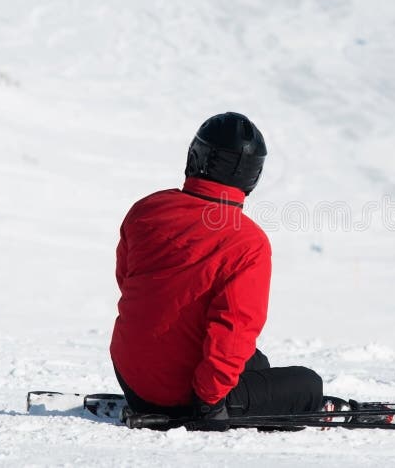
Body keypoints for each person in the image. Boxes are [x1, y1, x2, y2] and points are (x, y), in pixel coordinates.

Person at [110, 112, 323, 430]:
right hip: (181, 397)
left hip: (129, 374)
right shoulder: (248, 242)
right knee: (309, 385)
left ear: (196, 157)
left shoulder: (146, 209)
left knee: (255, 361)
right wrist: (209, 406)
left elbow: (126, 279)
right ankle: (221, 399)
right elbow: (233, 328)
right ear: (253, 175)